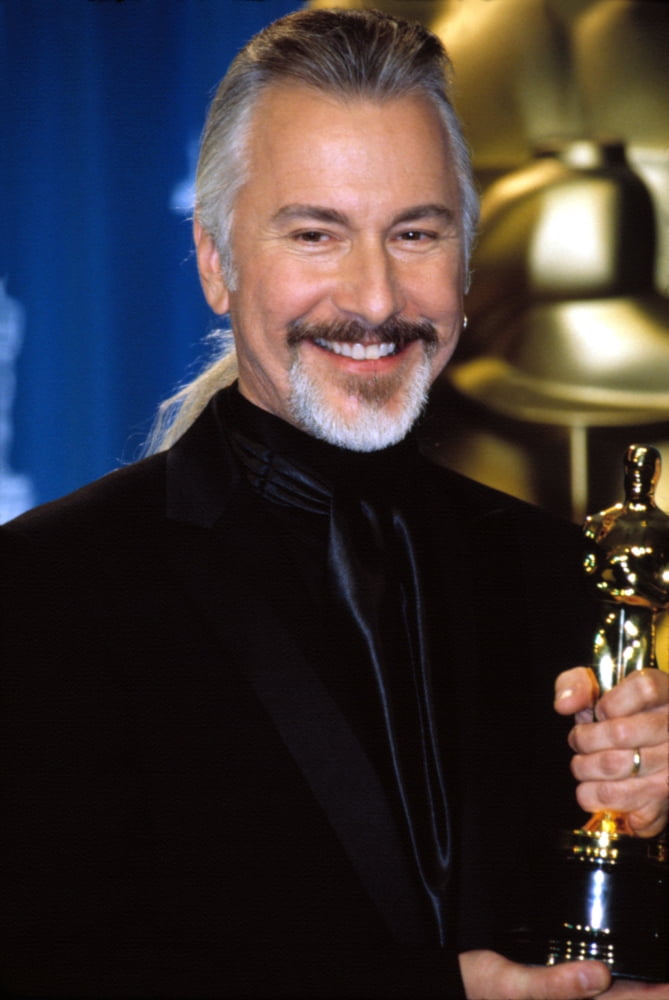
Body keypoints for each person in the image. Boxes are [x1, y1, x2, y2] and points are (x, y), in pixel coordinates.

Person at [1, 9, 667, 999]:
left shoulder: (552, 573)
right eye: (316, 234)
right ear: (216, 263)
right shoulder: (49, 589)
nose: (375, 298)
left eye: (415, 233)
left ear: (467, 262)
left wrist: (651, 820)